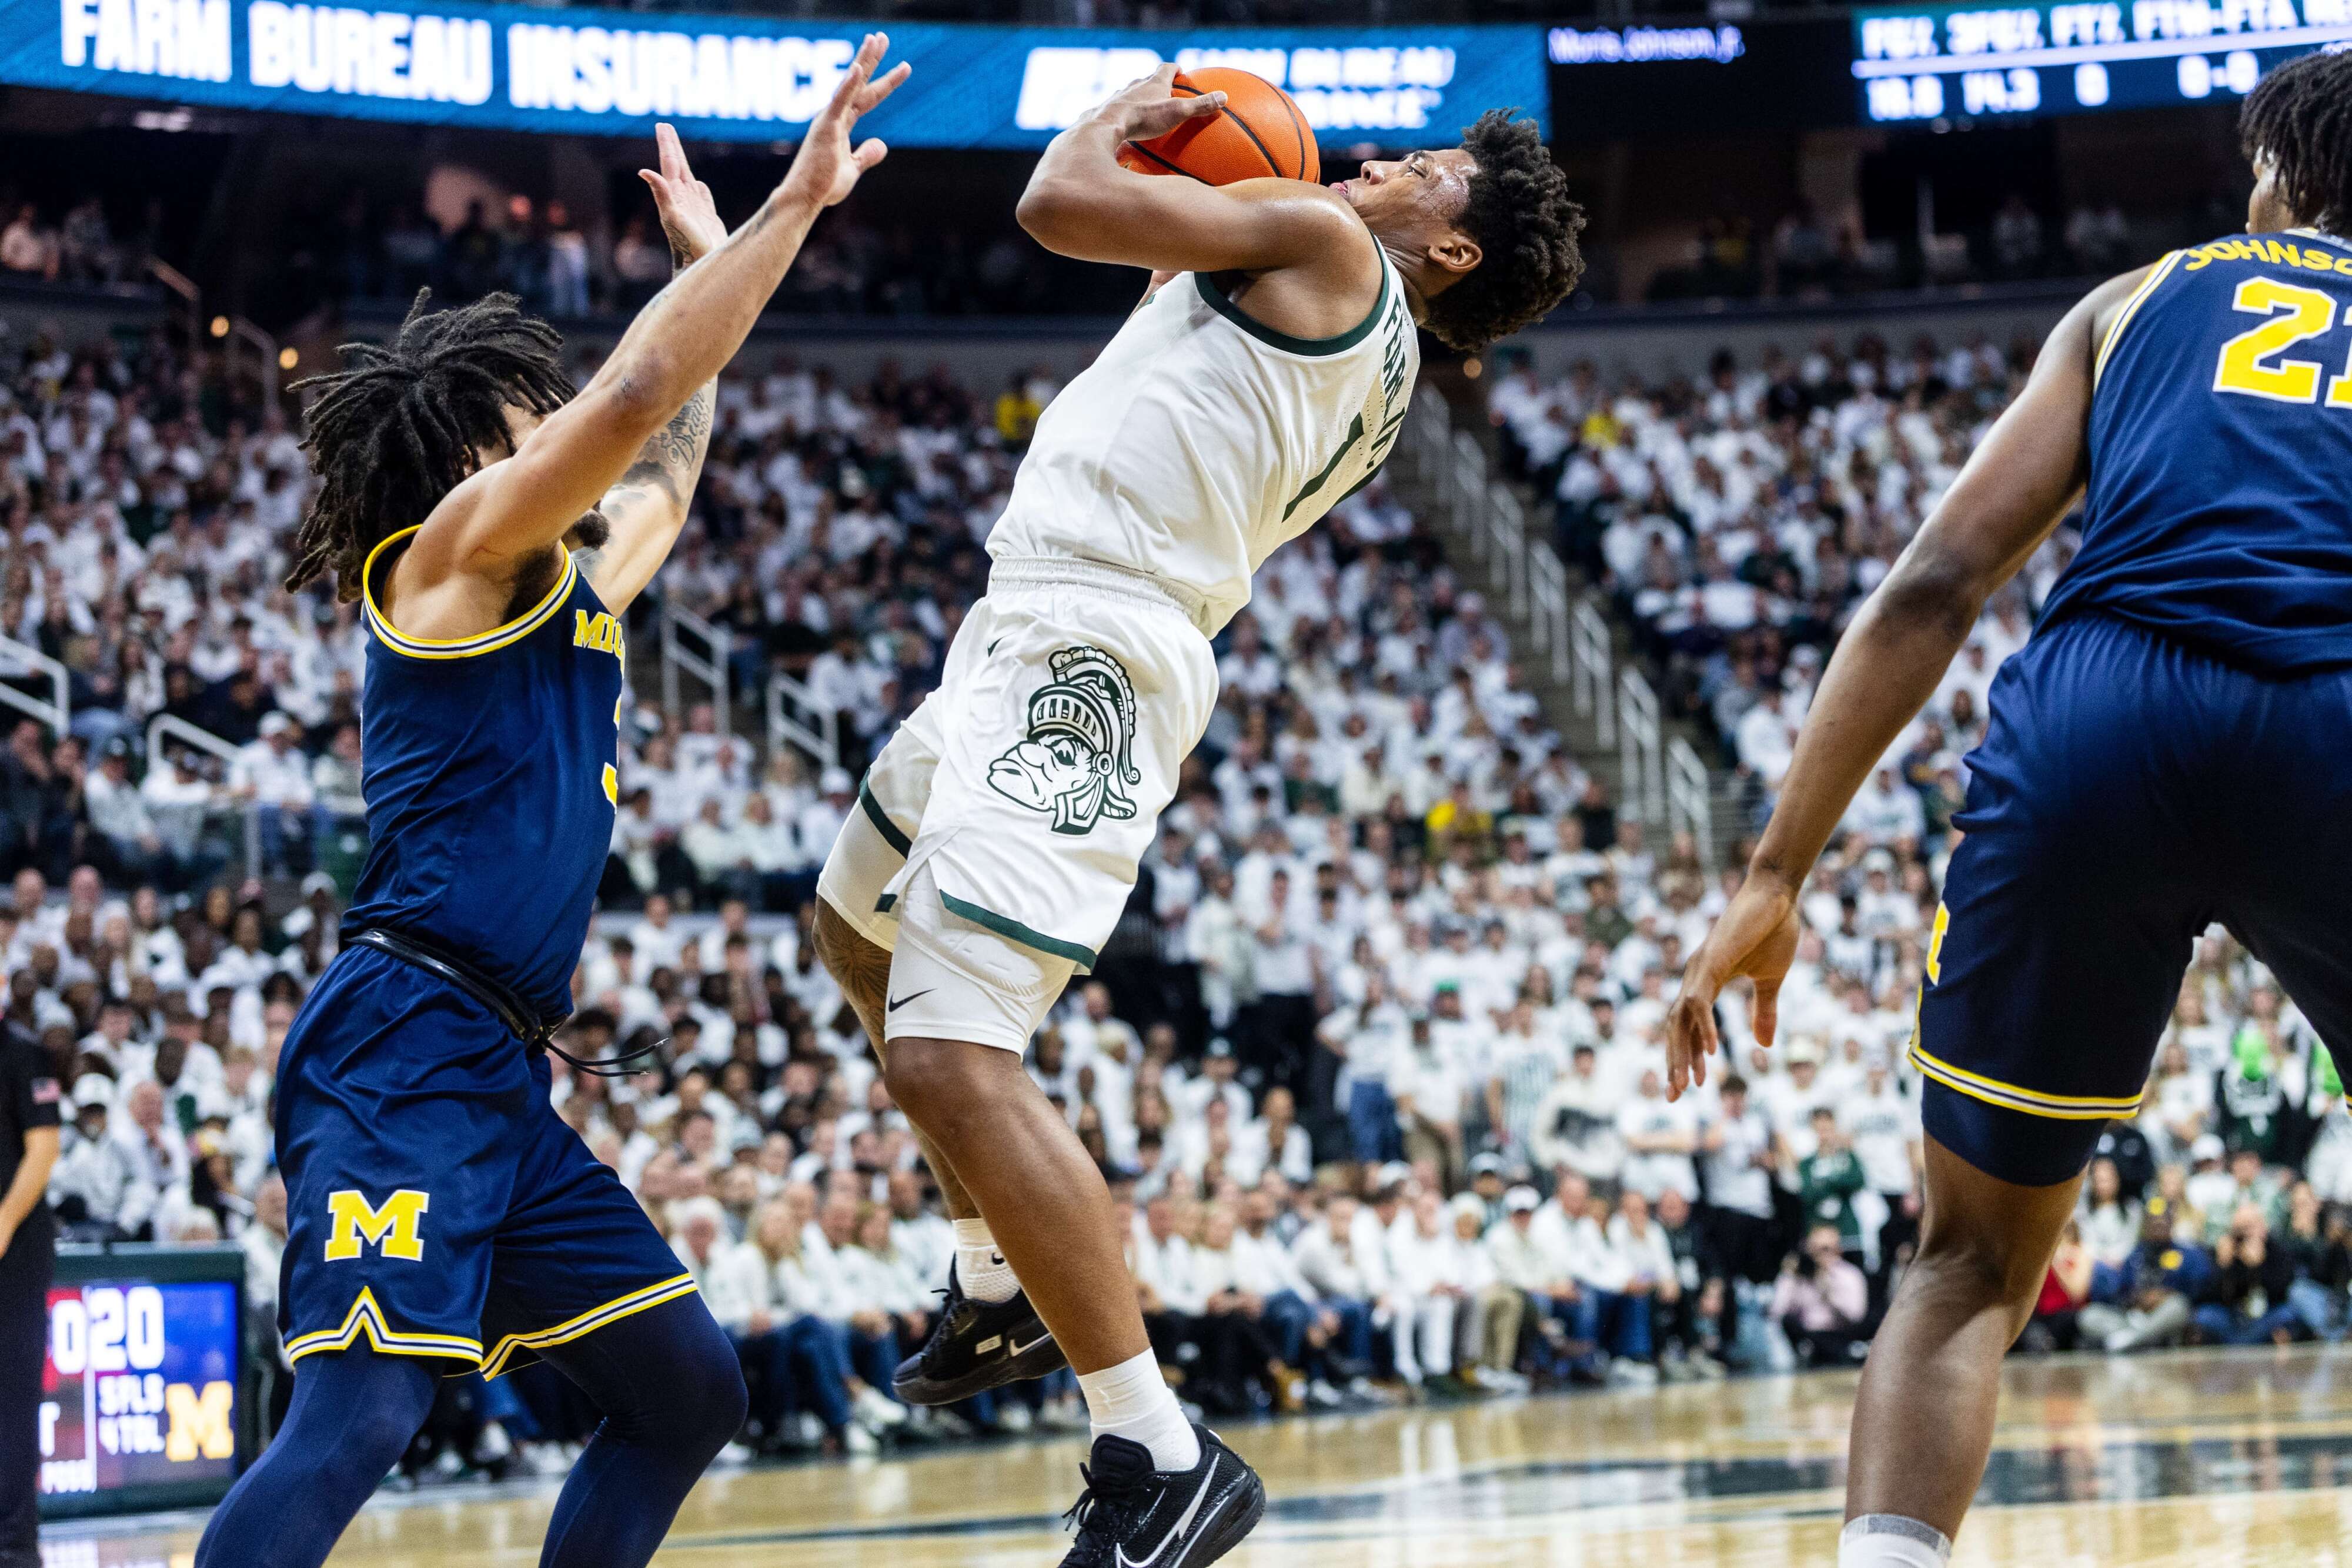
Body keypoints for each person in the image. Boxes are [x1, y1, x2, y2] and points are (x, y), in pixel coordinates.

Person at [808, 65, 1584, 1568]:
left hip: (1085, 649)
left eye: (1419, 167)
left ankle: (1158, 1453)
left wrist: (1124, 106)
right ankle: (989, 1281)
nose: (1375, 160)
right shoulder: (1367, 346)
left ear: (1452, 251)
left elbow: (1052, 205)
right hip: (1037, 622)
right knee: (849, 930)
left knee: (948, 1053)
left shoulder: (1329, 246)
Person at [193, 46, 910, 1568]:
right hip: (401, 1040)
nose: (559, 427)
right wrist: (789, 208)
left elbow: (667, 459)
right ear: (475, 448)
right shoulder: (449, 553)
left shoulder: (565, 591)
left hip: (496, 1068)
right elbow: (642, 388)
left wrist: (717, 275)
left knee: (687, 1388)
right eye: (533, 414)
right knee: (362, 1420)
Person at [1665, 48, 2352, 1568]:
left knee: (1967, 1260)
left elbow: (1934, 580)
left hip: (2102, 710)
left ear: (2278, 182)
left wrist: (1776, 870)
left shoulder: (2135, 299)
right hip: (2333, 704)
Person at [0, 1015, 60, 1568]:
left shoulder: (24, 1053)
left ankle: (14, 1544)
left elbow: (44, 1148)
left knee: (14, 1398)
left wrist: (4, 1220)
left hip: (15, 1254)